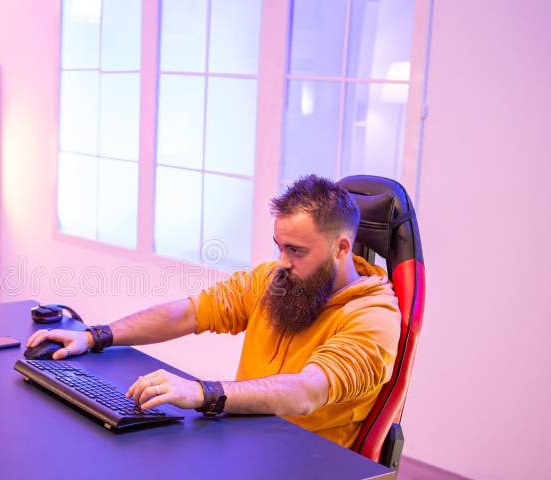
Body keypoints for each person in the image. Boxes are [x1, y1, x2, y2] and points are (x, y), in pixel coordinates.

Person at [26, 174, 401, 450]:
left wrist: (202, 392)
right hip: (245, 444)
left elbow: (306, 391)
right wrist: (94, 335)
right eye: (279, 247)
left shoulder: (373, 316)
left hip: (306, 478)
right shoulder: (276, 280)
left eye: (296, 251)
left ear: (341, 248)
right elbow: (189, 313)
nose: (281, 262)